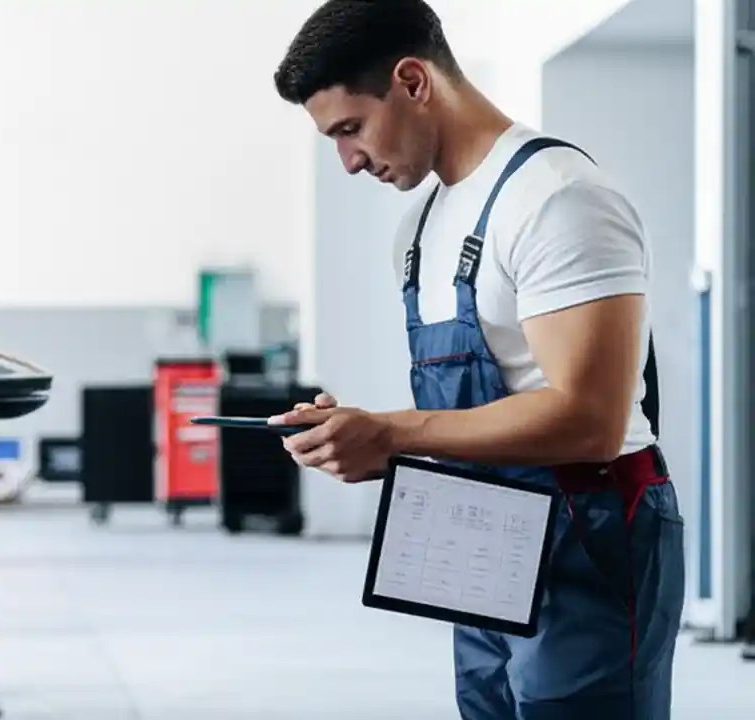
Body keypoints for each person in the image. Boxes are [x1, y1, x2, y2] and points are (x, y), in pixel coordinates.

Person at [268, 1, 685, 718]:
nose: (349, 161)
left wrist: (394, 432)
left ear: (413, 81)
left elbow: (590, 418)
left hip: (590, 539)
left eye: (351, 128)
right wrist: (358, 433)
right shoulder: (420, 231)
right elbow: (469, 410)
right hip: (486, 549)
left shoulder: (557, 198)